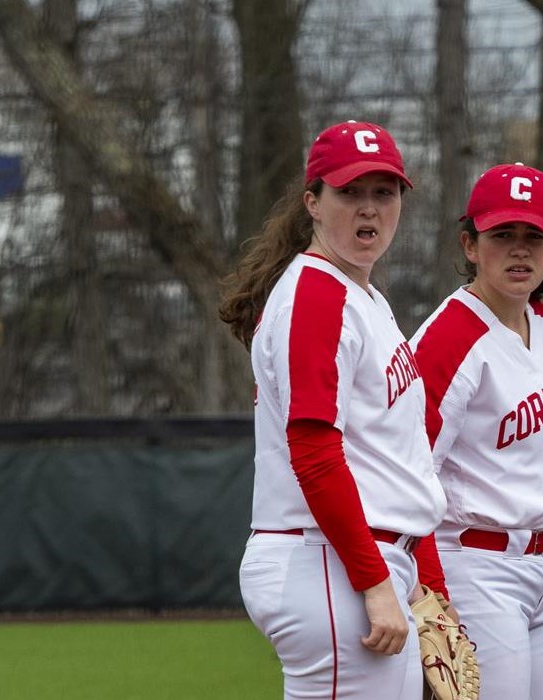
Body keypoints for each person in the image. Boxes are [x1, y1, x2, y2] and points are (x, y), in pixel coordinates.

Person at [219, 121, 446, 699]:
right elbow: (315, 453)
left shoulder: (361, 297)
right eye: (350, 192)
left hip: (351, 558)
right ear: (313, 203)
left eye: (384, 192)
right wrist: (373, 582)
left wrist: (420, 582)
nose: (368, 209)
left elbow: (396, 458)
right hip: (328, 560)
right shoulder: (317, 294)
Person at [408, 163, 543, 699]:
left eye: (532, 237)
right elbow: (408, 472)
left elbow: (542, 454)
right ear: (470, 245)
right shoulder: (449, 336)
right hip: (474, 569)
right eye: (502, 235)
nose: (519, 250)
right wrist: (435, 596)